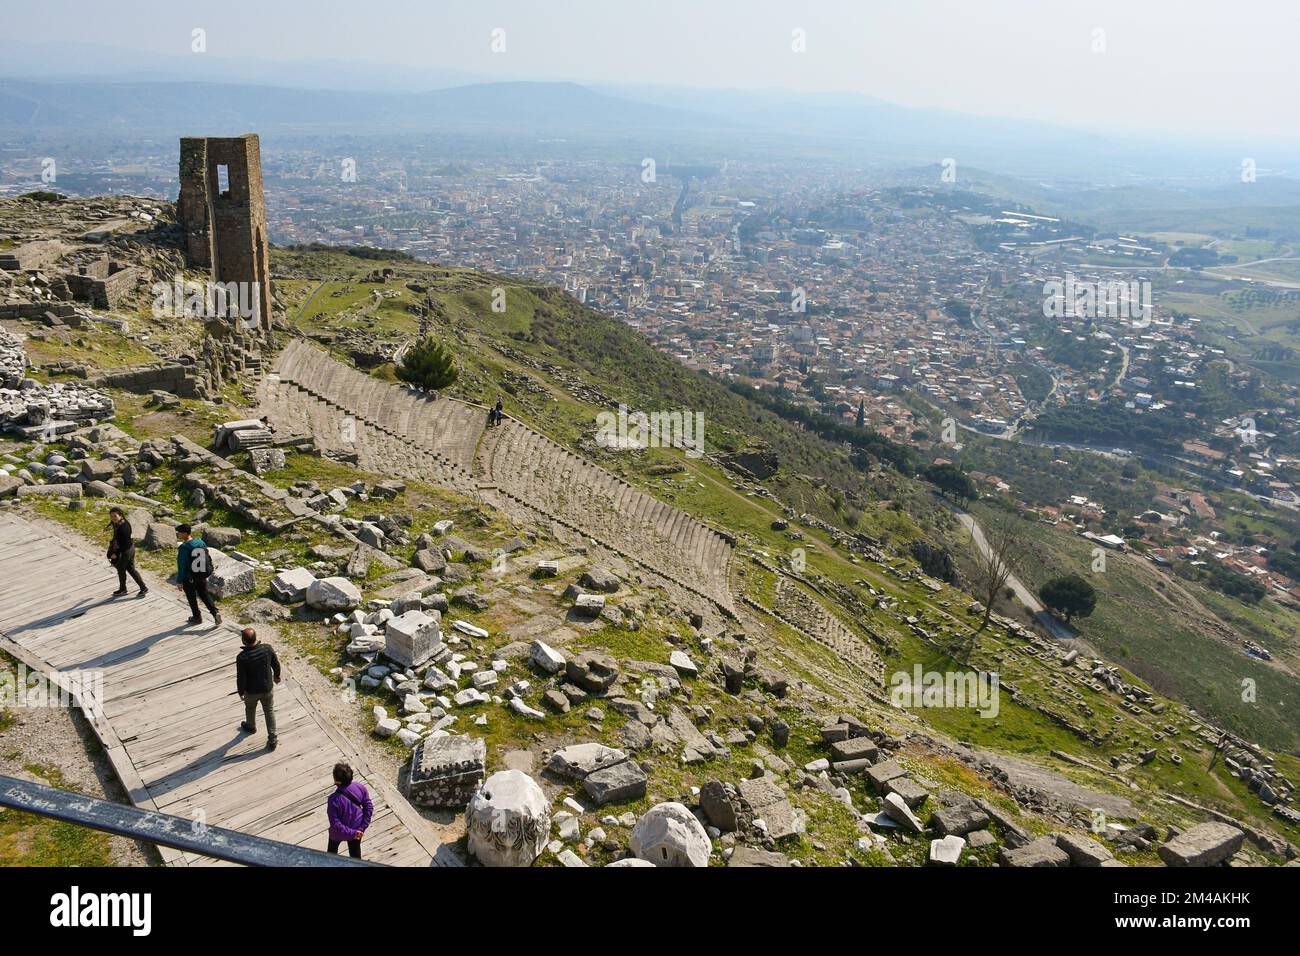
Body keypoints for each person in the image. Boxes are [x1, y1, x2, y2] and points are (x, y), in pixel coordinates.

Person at [236, 627, 281, 751]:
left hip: (251, 691)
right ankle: (272, 739)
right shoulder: (267, 648)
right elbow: (276, 664)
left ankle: (251, 726)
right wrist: (277, 676)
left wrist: (240, 691)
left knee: (250, 708)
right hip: (267, 688)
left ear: (244, 642)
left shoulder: (242, 657)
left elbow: (241, 678)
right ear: (255, 638)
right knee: (269, 711)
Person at [175, 524, 221, 627]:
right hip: (201, 574)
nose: (177, 534)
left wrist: (179, 581)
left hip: (189, 577)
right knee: (204, 594)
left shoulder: (184, 548)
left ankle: (197, 617)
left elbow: (182, 566)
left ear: (185, 533)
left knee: (191, 597)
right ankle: (215, 613)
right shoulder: (200, 542)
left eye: (179, 532)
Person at [326, 762, 373, 858]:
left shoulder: (333, 799)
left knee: (331, 852)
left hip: (339, 833)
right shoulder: (360, 787)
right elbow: (368, 807)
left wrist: (352, 833)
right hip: (357, 830)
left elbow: (336, 824)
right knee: (355, 855)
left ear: (336, 780)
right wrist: (361, 828)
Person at [107, 507, 148, 598]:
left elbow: (123, 544)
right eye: (111, 516)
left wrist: (115, 554)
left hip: (126, 551)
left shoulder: (123, 527)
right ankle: (143, 588)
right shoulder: (120, 522)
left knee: (121, 569)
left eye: (115, 516)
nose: (113, 518)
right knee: (130, 569)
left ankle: (123, 590)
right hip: (129, 548)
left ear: (120, 515)